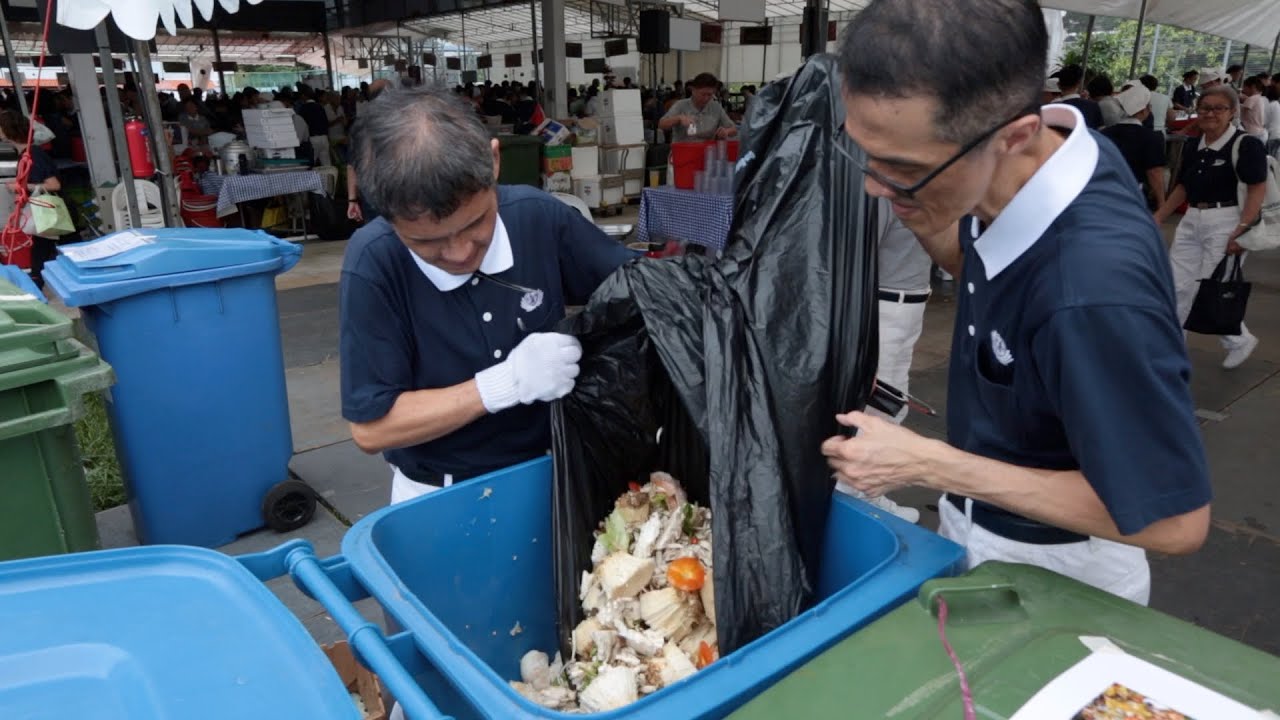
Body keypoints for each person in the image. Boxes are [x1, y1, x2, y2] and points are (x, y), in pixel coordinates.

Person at [825, 0, 1210, 606]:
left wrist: (928, 464)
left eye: (903, 167)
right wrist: (919, 202)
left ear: (1014, 135)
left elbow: (1174, 522)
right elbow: (972, 263)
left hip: (1060, 574)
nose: (874, 183)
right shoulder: (1046, 162)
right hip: (976, 524)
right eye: (865, 154)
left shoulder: (1092, 294)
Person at [339, 85, 635, 505]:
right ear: (384, 214)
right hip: (440, 493)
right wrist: (503, 384)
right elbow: (372, 429)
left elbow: (638, 288)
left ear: (494, 161)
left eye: (476, 223)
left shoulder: (538, 218)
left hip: (555, 470)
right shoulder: (376, 262)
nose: (460, 253)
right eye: (429, 242)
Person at [1154, 85, 1267, 370]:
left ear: (1232, 113)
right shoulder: (1194, 144)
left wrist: (1243, 228)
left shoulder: (1246, 144)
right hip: (1192, 218)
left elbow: (1257, 188)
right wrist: (1160, 215)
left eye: (1219, 108)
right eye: (1205, 108)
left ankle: (1238, 339)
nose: (1211, 114)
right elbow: (1183, 185)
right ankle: (1172, 349)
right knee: (1177, 287)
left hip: (1227, 219)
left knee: (1208, 289)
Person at [837, 196, 934, 524]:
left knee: (891, 401)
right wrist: (863, 351)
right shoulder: (881, 187)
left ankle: (866, 495)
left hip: (904, 302)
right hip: (885, 305)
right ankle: (860, 499)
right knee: (880, 412)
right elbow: (857, 260)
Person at [0, 110, 62, 289]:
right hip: (42, 212)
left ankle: (36, 289)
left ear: (7, 129)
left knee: (42, 253)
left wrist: (21, 187)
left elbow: (54, 184)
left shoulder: (32, 155)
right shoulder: (27, 153)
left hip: (45, 212)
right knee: (43, 252)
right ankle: (37, 286)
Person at [1102, 84, 1167, 210]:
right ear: (1144, 110)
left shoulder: (1104, 133)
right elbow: (1155, 173)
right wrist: (1162, 202)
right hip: (1132, 195)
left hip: (1103, 192)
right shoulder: (1151, 137)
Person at [346, 79, 390, 224]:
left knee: (375, 234)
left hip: (370, 191)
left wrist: (352, 199)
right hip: (400, 189)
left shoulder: (359, 124)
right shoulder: (404, 121)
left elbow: (352, 164)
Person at [659, 73, 737, 142]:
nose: (706, 98)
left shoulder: (716, 107)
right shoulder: (680, 105)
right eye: (703, 94)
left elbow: (734, 129)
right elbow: (661, 124)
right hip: (683, 151)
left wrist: (726, 131)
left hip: (707, 152)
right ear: (693, 90)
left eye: (709, 94)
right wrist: (678, 118)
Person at [1055, 64, 1102, 129]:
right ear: (1079, 83)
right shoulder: (1093, 106)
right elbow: (1099, 132)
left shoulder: (1053, 107)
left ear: (1058, 85)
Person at [297, 87, 331, 167]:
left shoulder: (303, 109)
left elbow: (302, 126)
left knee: (311, 165)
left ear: (303, 96)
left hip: (312, 139)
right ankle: (330, 178)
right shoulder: (320, 107)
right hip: (324, 137)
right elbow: (326, 123)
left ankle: (313, 179)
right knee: (327, 165)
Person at [1240, 76, 1268, 141]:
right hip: (1261, 132)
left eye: (1244, 87)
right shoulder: (1260, 98)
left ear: (1253, 87)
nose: (1243, 90)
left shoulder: (1251, 99)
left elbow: (1239, 112)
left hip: (1252, 133)